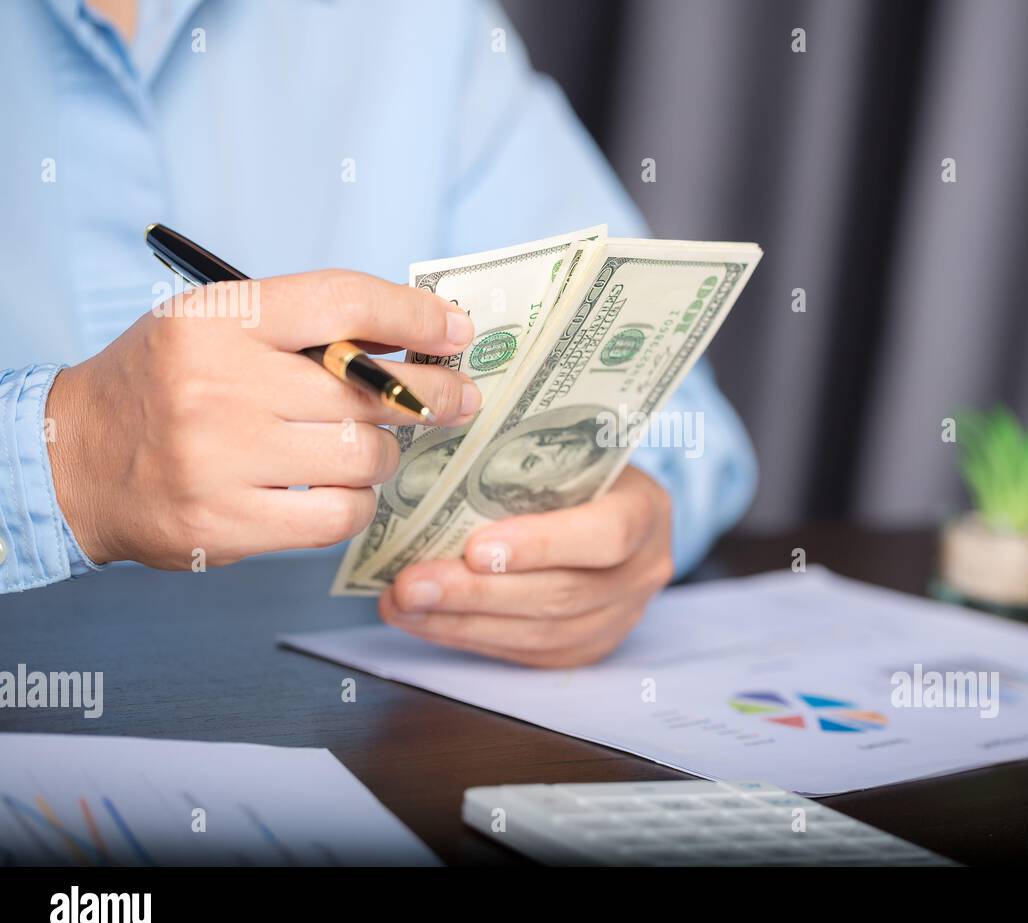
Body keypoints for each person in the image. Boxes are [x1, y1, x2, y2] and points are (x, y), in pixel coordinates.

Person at [0, 0, 757, 667]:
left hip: (357, 720)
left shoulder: (418, 20)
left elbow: (679, 415)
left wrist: (625, 525)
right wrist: (64, 458)